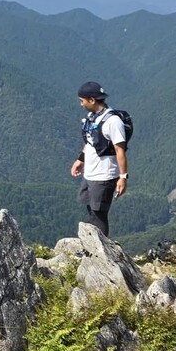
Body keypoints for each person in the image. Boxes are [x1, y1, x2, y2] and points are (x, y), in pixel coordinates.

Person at [69, 81, 127, 237]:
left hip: (104, 176)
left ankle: (101, 252)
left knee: (99, 214)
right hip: (90, 173)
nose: (81, 104)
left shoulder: (113, 122)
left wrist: (122, 177)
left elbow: (120, 150)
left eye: (82, 101)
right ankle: (93, 246)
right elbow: (90, 142)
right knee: (92, 210)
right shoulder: (92, 117)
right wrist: (80, 160)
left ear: (92, 100)